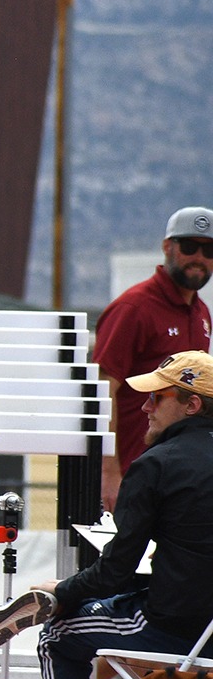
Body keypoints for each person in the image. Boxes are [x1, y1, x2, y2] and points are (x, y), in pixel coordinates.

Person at [0, 350, 213, 679]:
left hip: (178, 627)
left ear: (191, 404)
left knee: (59, 635)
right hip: (203, 622)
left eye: (158, 397)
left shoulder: (157, 464)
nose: (144, 407)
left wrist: (64, 590)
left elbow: (116, 569)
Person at [91, 206, 213, 512]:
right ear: (167, 247)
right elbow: (102, 390)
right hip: (134, 472)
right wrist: (109, 472)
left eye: (209, 250)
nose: (199, 258)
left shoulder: (201, 314)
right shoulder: (134, 308)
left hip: (179, 478)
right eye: (189, 247)